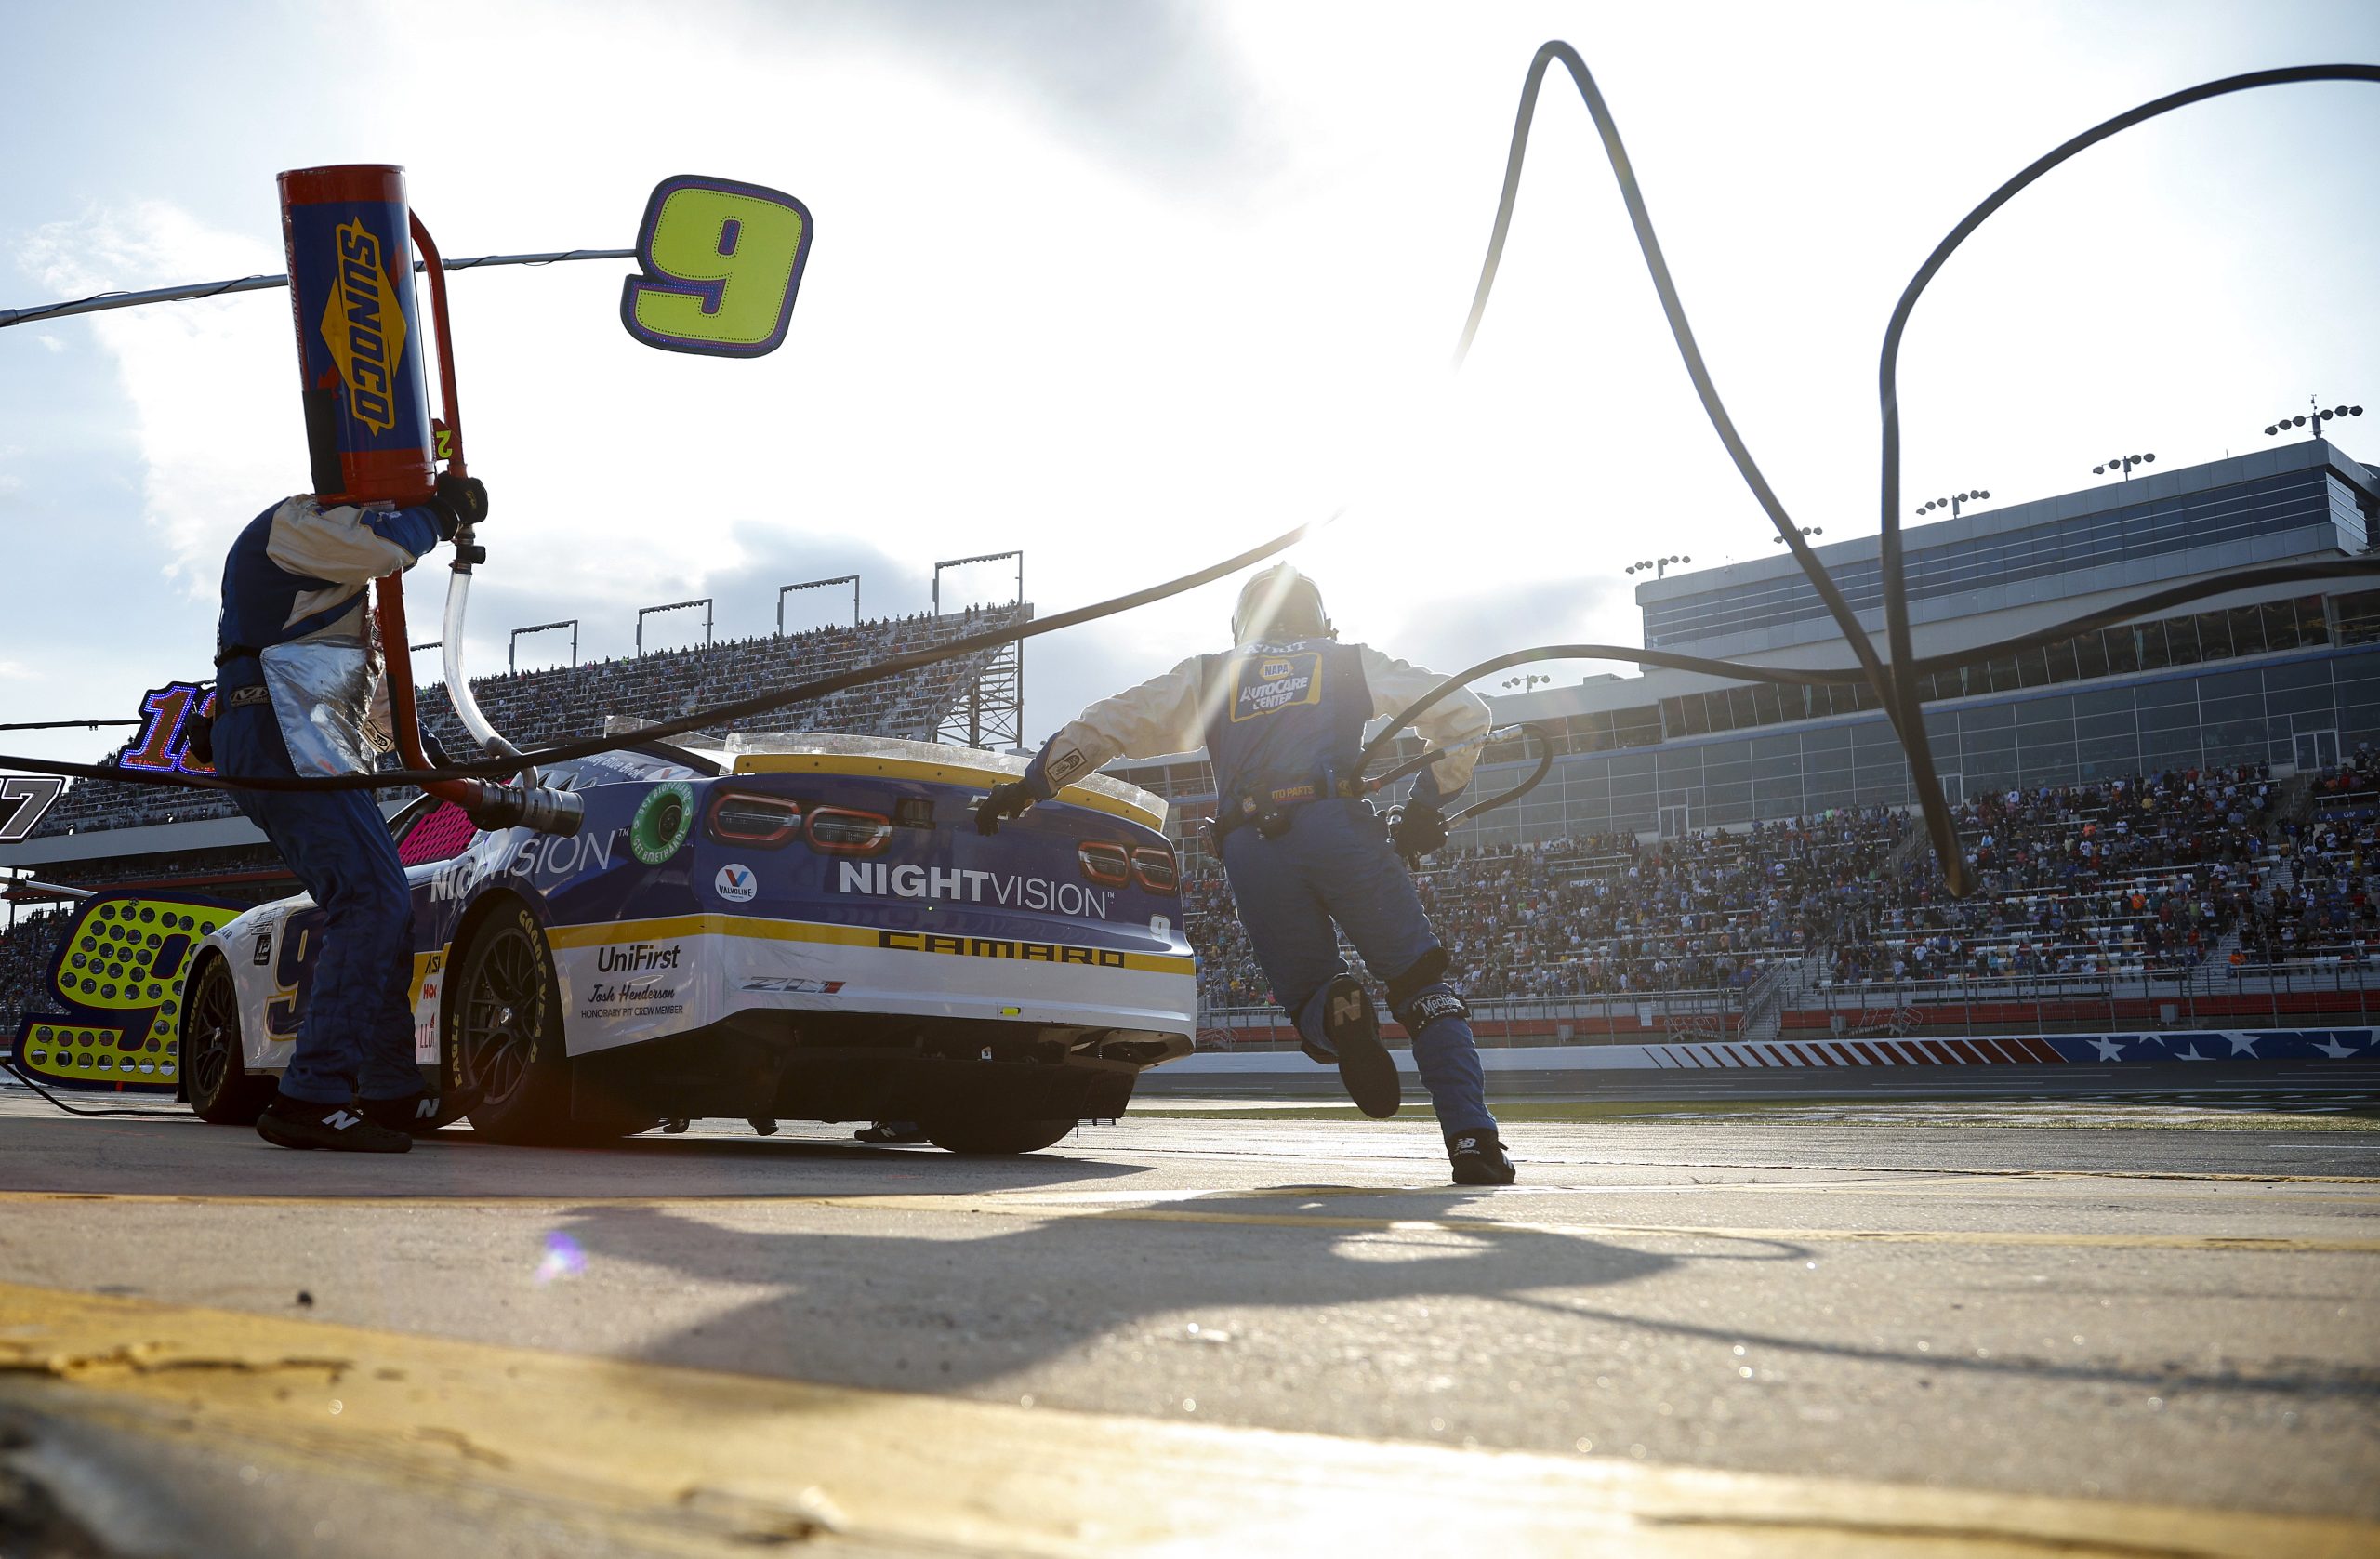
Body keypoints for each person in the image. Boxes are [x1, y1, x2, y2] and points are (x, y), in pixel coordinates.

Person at [976, 564, 1515, 1184]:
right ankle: (1472, 1141)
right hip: (1338, 825)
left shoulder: (1212, 673)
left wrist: (1031, 784)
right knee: (1423, 985)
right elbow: (1469, 714)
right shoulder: (1344, 661)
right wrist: (1424, 806)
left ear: (1241, 626)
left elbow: (1110, 726)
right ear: (1320, 620)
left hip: (1250, 846)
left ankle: (1338, 1014)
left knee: (1309, 994)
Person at [213, 473, 488, 1152]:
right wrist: (439, 514)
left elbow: (350, 691)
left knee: (384, 907)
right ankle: (311, 1095)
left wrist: (433, 751)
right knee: (370, 900)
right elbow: (384, 546)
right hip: (281, 728)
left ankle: (390, 1087)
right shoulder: (299, 524)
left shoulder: (329, 572)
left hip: (300, 731)